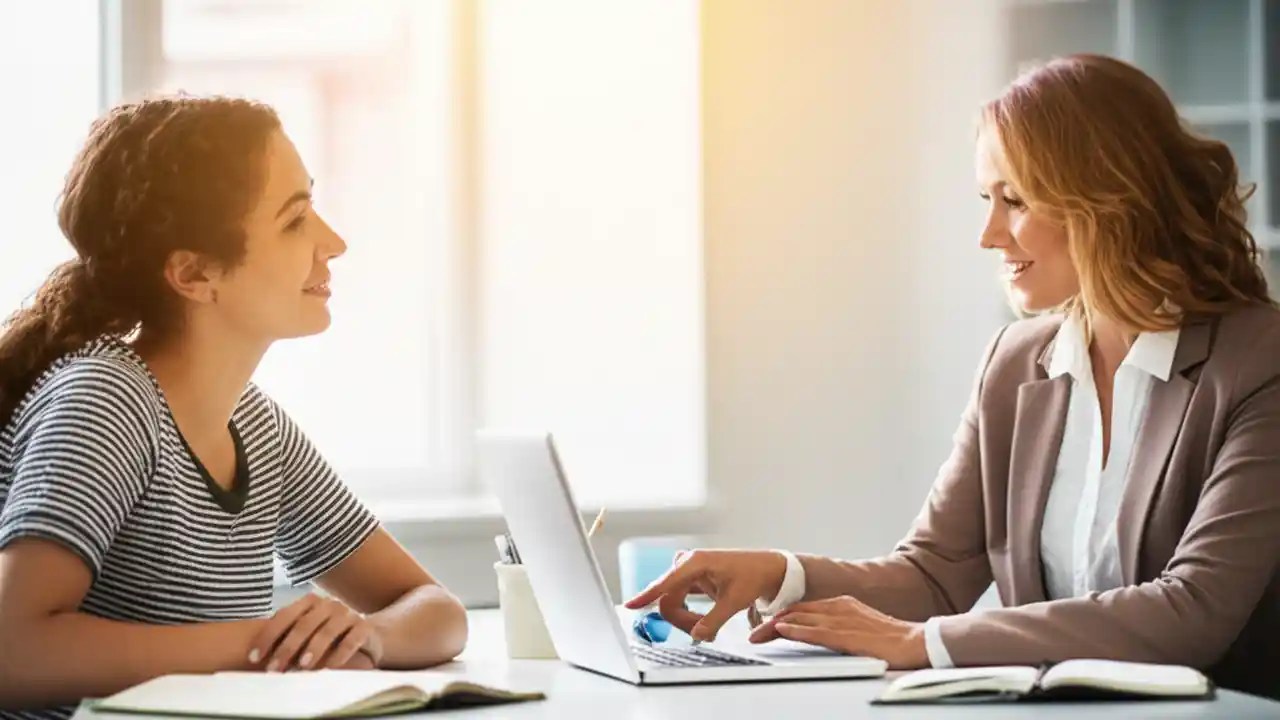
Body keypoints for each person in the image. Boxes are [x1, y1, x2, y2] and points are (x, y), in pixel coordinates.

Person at [627, 54, 1280, 699]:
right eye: (986, 199)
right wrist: (780, 572)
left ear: (1109, 200)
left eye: (1014, 200)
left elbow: (1194, 610)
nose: (989, 235)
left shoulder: (1258, 361)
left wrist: (927, 643)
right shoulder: (1014, 363)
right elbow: (934, 573)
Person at [0, 96, 468, 719]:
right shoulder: (106, 401)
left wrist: (366, 635)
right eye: (294, 220)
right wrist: (268, 646)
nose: (333, 243)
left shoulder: (255, 425)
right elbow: (13, 652)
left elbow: (437, 610)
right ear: (194, 275)